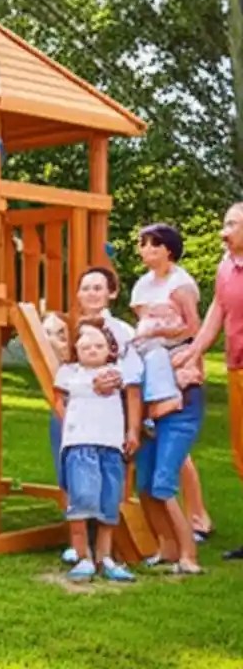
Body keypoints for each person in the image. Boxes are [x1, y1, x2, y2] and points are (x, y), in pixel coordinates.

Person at [48, 266, 144, 564]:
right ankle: (78, 544)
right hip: (73, 415)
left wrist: (133, 428)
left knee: (106, 480)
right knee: (72, 476)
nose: (91, 293)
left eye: (98, 287)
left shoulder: (122, 332)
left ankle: (103, 548)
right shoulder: (67, 328)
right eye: (86, 287)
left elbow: (132, 386)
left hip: (107, 421)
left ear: (111, 293)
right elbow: (60, 380)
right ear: (77, 293)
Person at [129, 223, 207, 573]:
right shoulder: (142, 286)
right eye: (143, 244)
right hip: (149, 374)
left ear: (167, 250)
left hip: (179, 383)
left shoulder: (181, 284)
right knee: (144, 484)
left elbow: (195, 327)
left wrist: (163, 333)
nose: (143, 250)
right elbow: (142, 330)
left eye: (150, 244)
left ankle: (189, 554)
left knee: (162, 483)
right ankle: (167, 548)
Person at [174, 202, 243, 559]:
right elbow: (218, 310)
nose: (223, 231)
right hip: (236, 368)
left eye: (231, 224)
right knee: (242, 455)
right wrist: (194, 350)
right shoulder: (226, 267)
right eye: (224, 223)